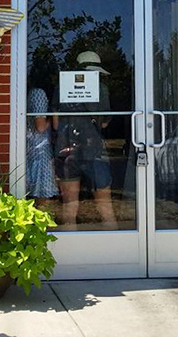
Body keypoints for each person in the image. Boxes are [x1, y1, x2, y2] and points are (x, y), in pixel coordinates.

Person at [51, 51, 117, 229]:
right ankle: (116, 242)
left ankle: (72, 243)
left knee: (69, 207)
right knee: (105, 207)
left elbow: (55, 124)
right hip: (94, 149)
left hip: (66, 149)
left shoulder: (61, 88)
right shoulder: (101, 89)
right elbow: (104, 123)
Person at [25, 84, 58, 201]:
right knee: (41, 194)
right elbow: (41, 127)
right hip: (40, 149)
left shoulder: (29, 93)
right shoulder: (39, 93)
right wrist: (52, 118)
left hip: (31, 146)